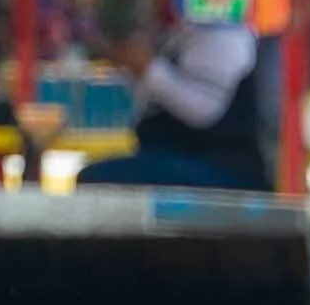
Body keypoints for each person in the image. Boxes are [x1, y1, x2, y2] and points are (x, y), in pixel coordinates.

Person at [77, 18, 270, 192]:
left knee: (96, 181)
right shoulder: (181, 32)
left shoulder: (222, 34)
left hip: (218, 169)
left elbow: (204, 109)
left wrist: (148, 68)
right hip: (178, 158)